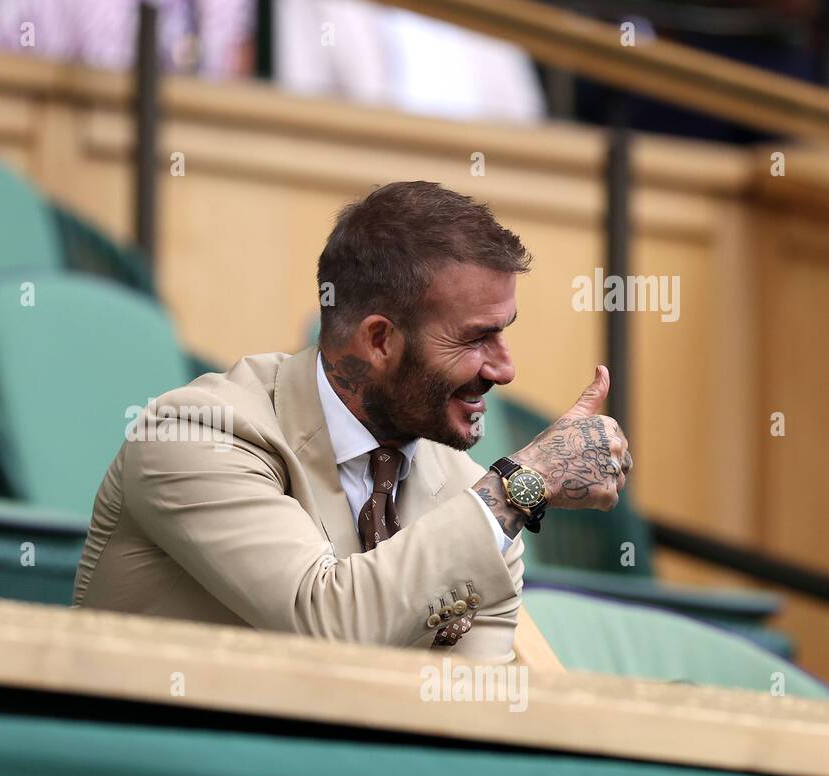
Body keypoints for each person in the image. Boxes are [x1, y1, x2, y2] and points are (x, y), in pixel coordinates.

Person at [73, 181, 631, 661]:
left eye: (504, 330)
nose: (505, 369)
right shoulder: (195, 436)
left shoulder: (472, 496)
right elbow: (327, 625)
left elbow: (468, 710)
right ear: (380, 340)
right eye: (475, 337)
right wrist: (521, 485)